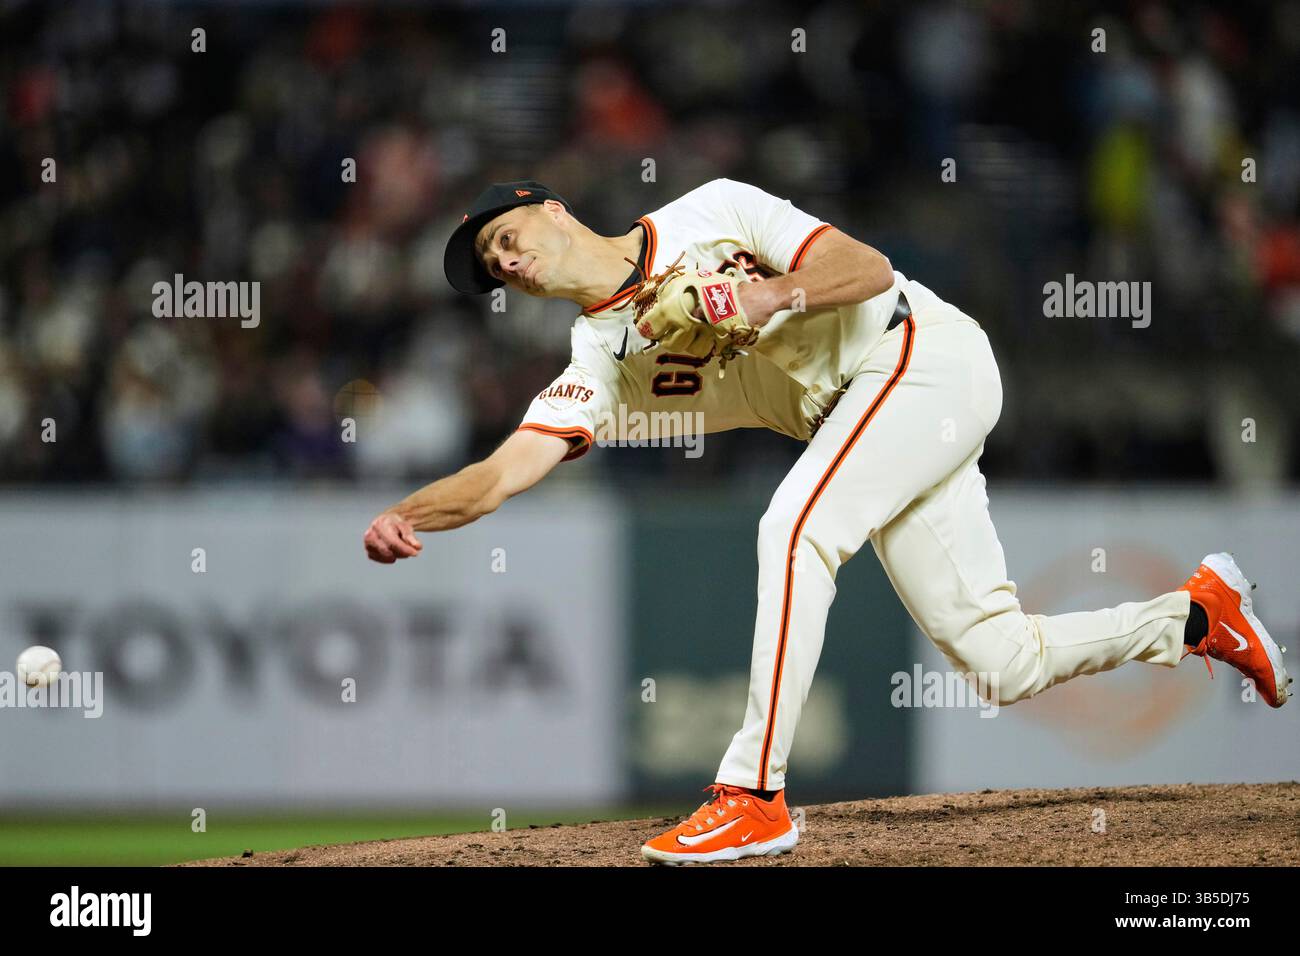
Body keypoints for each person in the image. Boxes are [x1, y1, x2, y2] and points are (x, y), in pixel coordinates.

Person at [363, 178, 1291, 865]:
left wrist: (759, 296)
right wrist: (407, 513)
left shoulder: (710, 212)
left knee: (795, 525)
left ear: (553, 208)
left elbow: (867, 268)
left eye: (508, 235)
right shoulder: (600, 360)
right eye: (494, 267)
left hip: (920, 352)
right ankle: (1197, 614)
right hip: (865, 422)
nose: (509, 261)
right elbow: (499, 475)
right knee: (1002, 660)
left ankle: (752, 794)